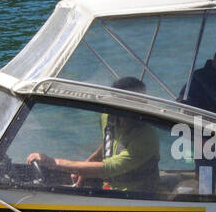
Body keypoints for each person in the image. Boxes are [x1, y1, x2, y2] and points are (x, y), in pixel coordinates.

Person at [27, 77, 159, 194]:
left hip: (137, 196)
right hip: (109, 187)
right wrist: (87, 165)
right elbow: (109, 144)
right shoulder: (107, 117)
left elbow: (110, 167)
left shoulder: (146, 137)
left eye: (133, 110)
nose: (124, 119)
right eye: (122, 109)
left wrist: (53, 162)